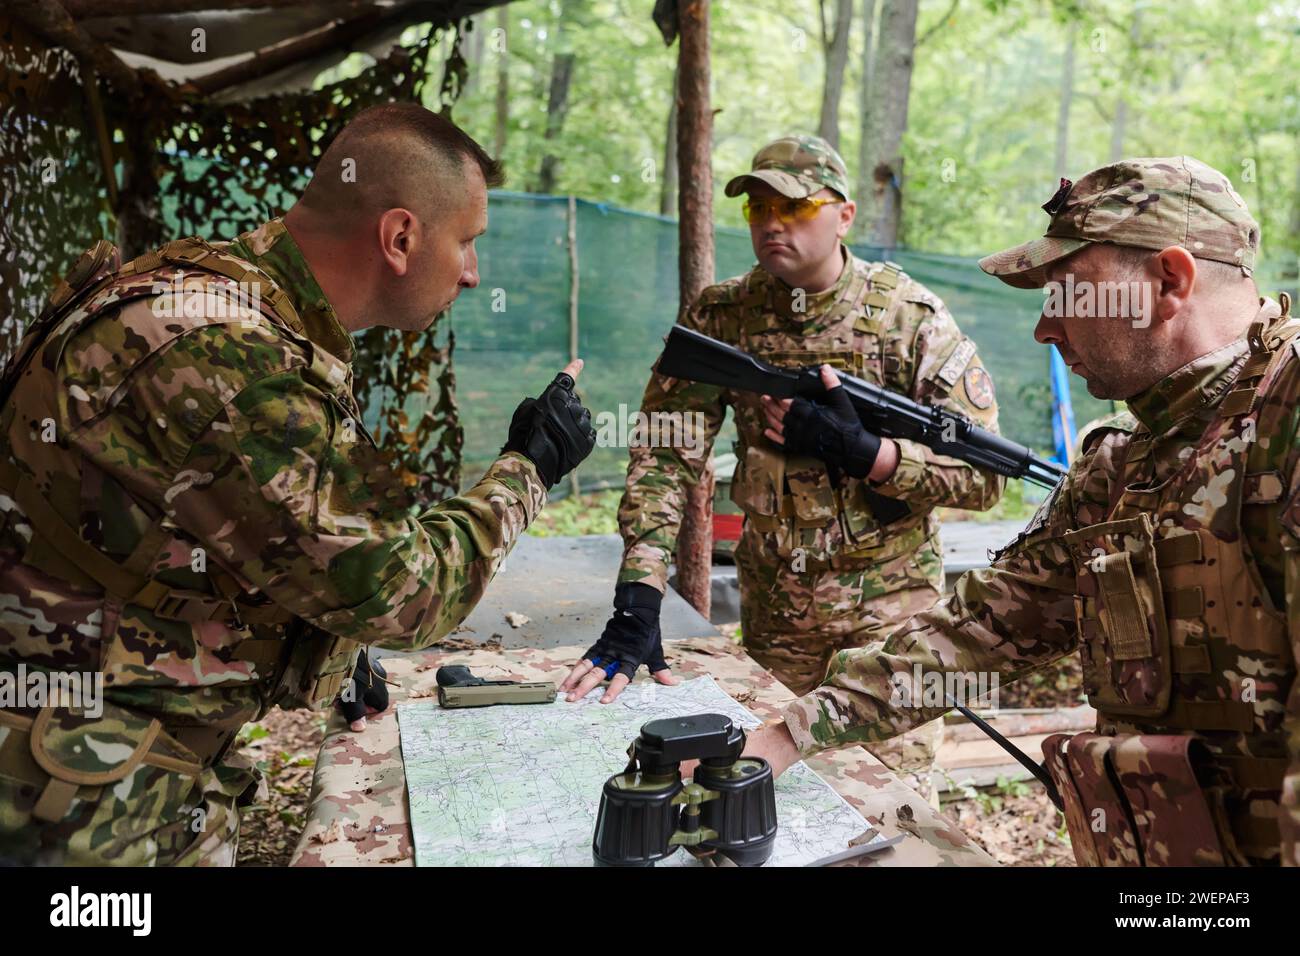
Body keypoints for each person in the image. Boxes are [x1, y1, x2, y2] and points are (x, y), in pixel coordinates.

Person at [0, 103, 596, 865]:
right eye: (469, 242)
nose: (475, 274)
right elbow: (399, 590)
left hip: (86, 741)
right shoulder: (231, 358)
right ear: (402, 237)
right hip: (79, 795)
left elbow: (216, 535)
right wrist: (532, 465)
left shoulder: (216, 292)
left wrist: (327, 645)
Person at [741, 155, 1297, 866]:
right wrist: (793, 730)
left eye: (1068, 293)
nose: (1045, 329)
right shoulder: (1127, 458)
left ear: (1170, 282)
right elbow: (984, 625)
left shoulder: (1286, 419)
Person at [561, 135, 1005, 799]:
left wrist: (870, 455)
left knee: (890, 808)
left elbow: (984, 477)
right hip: (776, 625)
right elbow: (665, 451)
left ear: (845, 214)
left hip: (890, 630)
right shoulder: (723, 316)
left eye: (795, 209)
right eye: (759, 209)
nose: (772, 224)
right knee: (771, 806)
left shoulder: (911, 323)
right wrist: (640, 593)